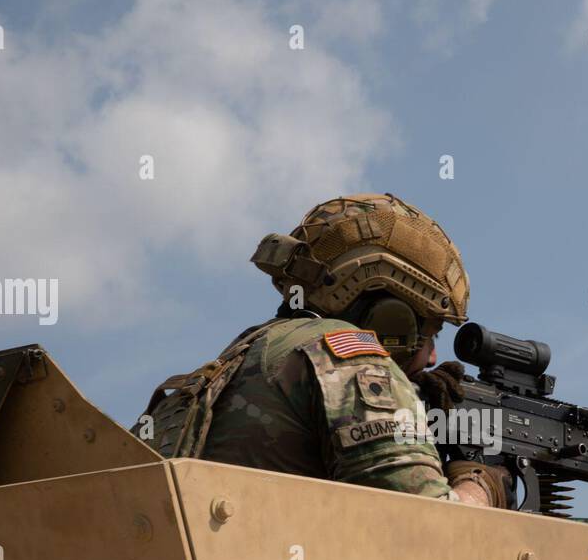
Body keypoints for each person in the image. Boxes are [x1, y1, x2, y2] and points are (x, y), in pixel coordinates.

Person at [133, 193, 508, 508]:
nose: (430, 358)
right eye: (431, 332)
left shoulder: (235, 362)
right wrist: (482, 483)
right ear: (391, 318)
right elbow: (429, 527)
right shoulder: (352, 358)